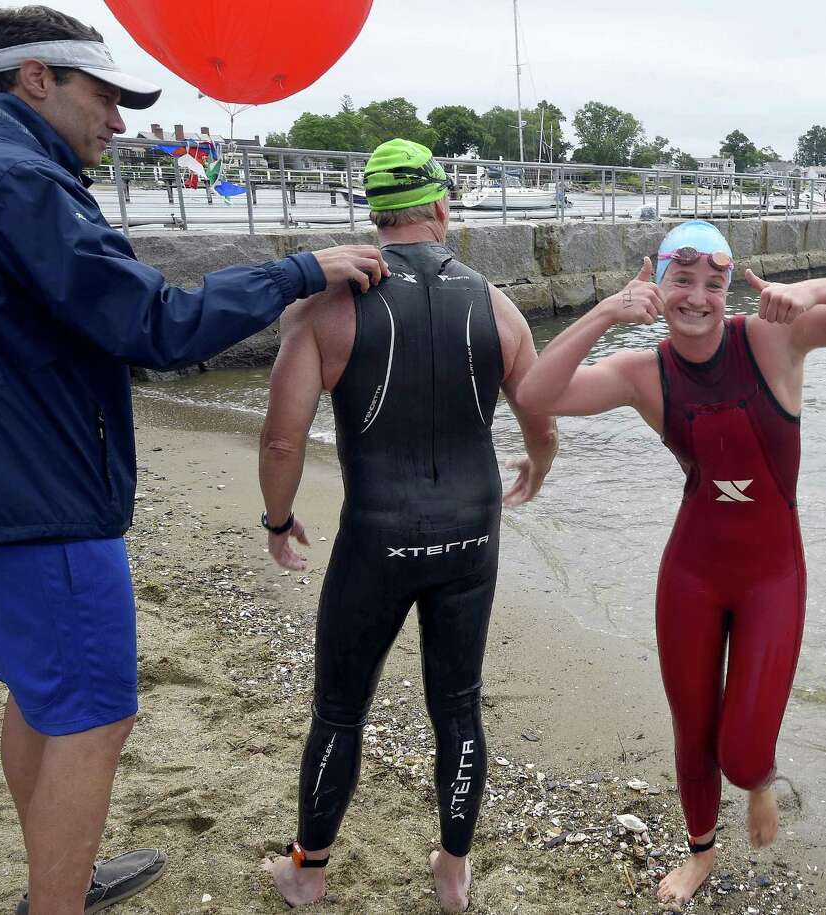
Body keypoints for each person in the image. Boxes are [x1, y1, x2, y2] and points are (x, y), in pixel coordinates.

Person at [0, 7, 390, 914]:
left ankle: (63, 874)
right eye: (107, 97)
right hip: (41, 497)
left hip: (0, 492)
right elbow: (154, 323)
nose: (120, 122)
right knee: (94, 711)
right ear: (35, 78)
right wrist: (298, 270)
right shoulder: (15, 181)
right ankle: (58, 898)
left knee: (39, 694)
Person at [515, 220, 826, 906]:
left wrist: (813, 288)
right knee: (692, 727)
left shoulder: (774, 338)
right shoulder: (641, 372)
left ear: (729, 287)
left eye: (714, 283)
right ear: (657, 281)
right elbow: (535, 395)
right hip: (692, 570)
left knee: (741, 754)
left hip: (772, 574)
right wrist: (604, 312)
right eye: (682, 280)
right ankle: (700, 851)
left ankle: (760, 781)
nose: (698, 297)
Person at [258, 138, 557, 913]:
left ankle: (310, 870)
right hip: (471, 537)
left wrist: (280, 518)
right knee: (457, 704)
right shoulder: (496, 303)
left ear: (375, 214)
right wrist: (537, 467)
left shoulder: (325, 307)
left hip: (376, 539)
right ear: (439, 209)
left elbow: (283, 437)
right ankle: (453, 873)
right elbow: (541, 411)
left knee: (340, 707)